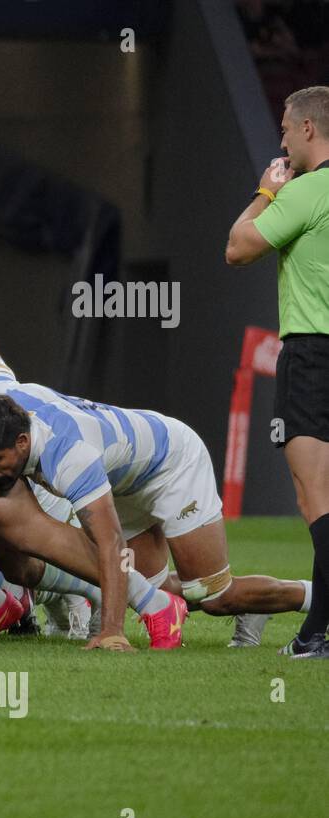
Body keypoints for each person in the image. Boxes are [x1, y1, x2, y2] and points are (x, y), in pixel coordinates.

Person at [225, 84, 329, 658]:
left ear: (309, 130)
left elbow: (238, 247)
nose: (283, 139)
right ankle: (315, 634)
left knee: (316, 498)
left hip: (314, 354)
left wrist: (266, 191)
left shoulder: (308, 191)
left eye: (287, 130)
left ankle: (318, 635)